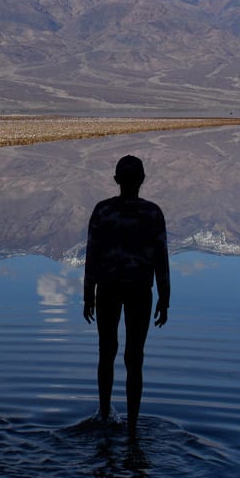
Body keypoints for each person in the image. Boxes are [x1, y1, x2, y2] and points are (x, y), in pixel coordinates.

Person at [82, 155, 169, 430]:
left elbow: (92, 255)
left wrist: (88, 294)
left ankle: (104, 414)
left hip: (108, 289)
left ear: (116, 179)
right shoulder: (152, 213)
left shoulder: (103, 210)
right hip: (140, 291)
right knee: (135, 357)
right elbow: (161, 258)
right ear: (142, 179)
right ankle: (132, 424)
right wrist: (165, 297)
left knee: (106, 352)